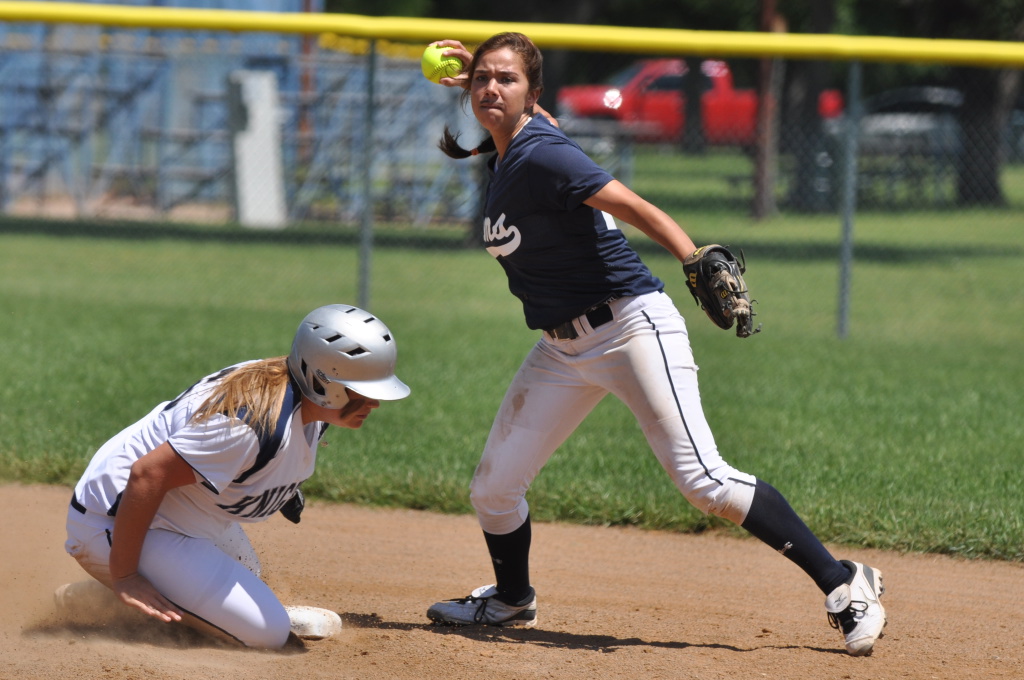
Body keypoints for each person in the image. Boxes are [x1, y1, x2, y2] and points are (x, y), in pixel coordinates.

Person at [422, 33, 886, 657]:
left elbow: (634, 205)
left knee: (704, 483)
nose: (490, 88)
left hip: (630, 327)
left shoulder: (542, 154)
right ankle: (511, 599)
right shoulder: (513, 149)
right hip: (562, 348)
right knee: (493, 489)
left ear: (533, 91)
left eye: (506, 79)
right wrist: (481, 85)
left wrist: (693, 256)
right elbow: (524, 115)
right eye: (483, 79)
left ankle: (845, 583)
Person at [61, 304, 410, 649]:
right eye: (364, 391)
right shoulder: (248, 425)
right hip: (113, 521)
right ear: (323, 382)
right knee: (267, 632)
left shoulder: (301, 395)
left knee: (249, 576)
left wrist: (282, 487)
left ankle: (101, 595)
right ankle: (119, 583)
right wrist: (125, 576)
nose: (374, 403)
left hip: (182, 517)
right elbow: (147, 474)